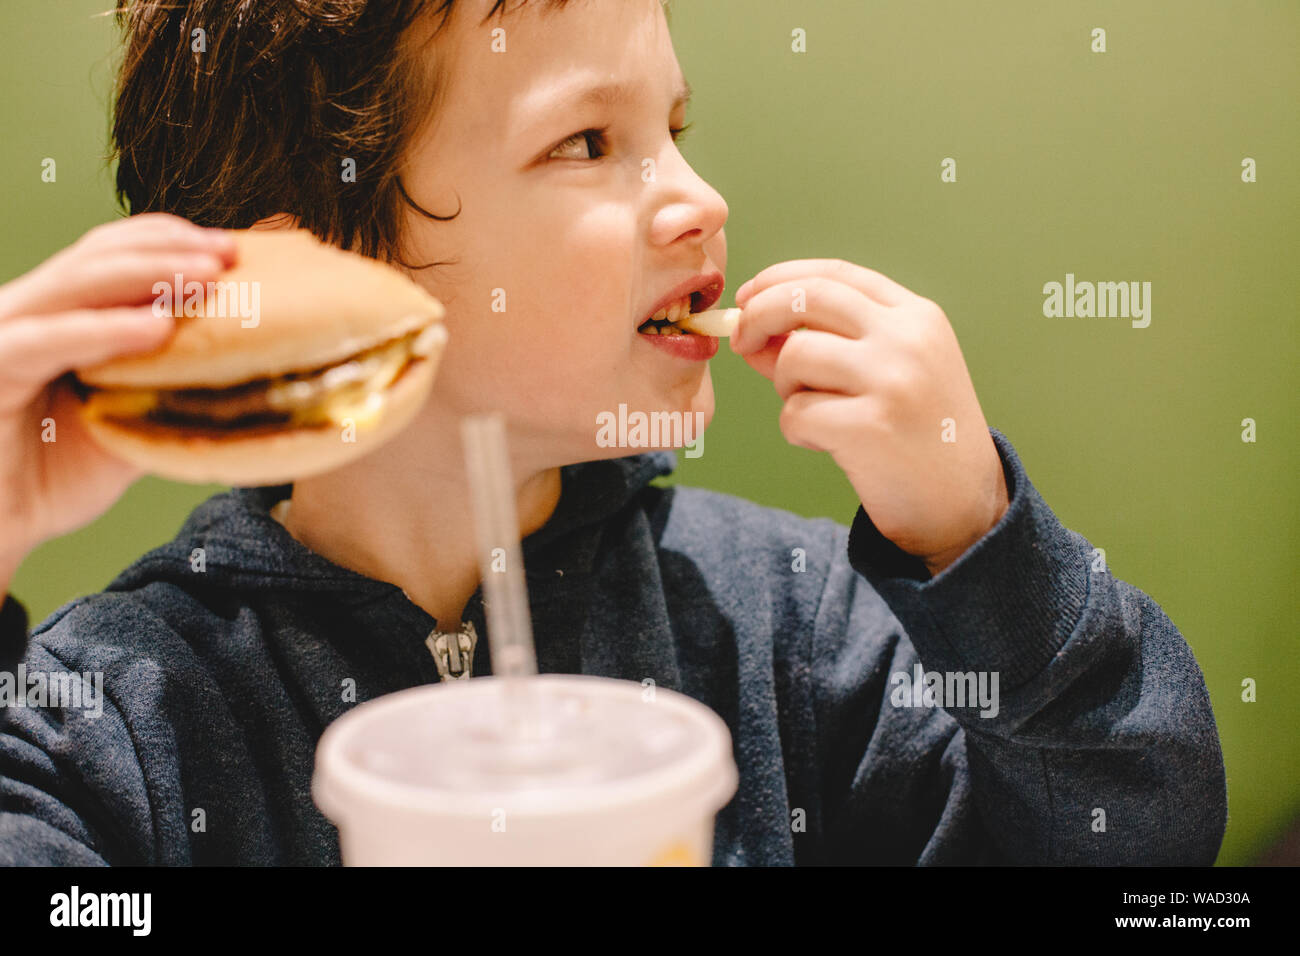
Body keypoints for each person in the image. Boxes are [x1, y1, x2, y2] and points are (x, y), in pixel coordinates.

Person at [0, 0, 1226, 865]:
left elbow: (1148, 828)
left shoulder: (788, 625)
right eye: (589, 141)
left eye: (674, 131)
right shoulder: (115, 716)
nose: (701, 200)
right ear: (308, 275)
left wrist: (977, 537)